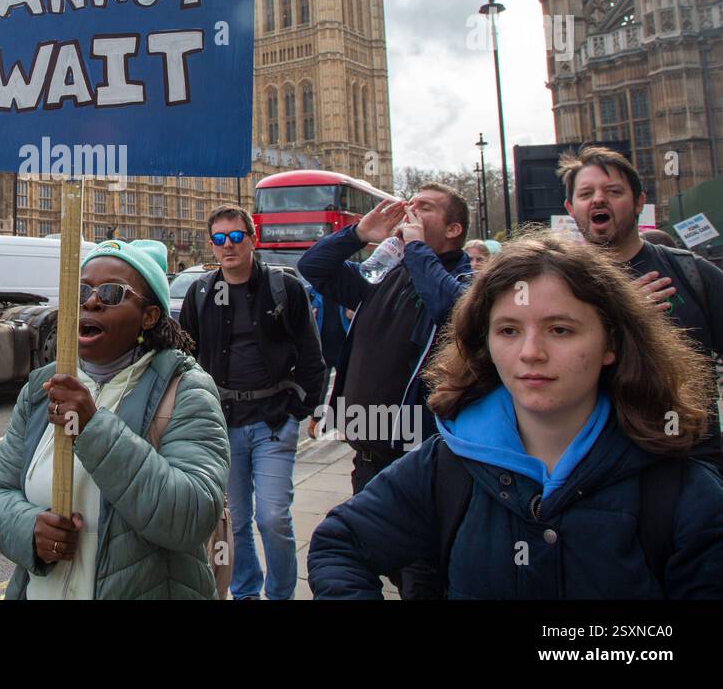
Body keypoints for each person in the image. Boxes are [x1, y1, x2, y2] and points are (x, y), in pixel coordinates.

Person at [308, 232, 723, 599]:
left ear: (611, 343)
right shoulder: (446, 464)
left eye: (560, 329)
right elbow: (338, 544)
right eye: (508, 330)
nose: (530, 353)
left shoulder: (682, 492)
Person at [0, 239, 230, 599]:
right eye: (82, 290)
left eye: (112, 293)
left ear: (149, 316)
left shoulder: (186, 389)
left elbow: (191, 516)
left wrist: (93, 428)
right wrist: (28, 530)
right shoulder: (41, 387)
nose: (91, 301)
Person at [298, 183, 473, 598]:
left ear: (453, 230)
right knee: (368, 562)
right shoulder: (382, 276)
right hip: (368, 457)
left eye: (424, 208)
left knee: (422, 578)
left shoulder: (464, 279)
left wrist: (414, 251)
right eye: (409, 204)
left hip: (417, 461)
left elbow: (453, 312)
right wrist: (360, 232)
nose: (410, 212)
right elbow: (314, 267)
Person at [179, 206, 326, 600]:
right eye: (220, 239)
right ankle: (245, 591)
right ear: (211, 246)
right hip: (223, 425)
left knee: (273, 517)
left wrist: (303, 409)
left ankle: (280, 594)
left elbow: (312, 356)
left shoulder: (284, 288)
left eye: (236, 236)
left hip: (273, 421)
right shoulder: (202, 293)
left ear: (252, 238)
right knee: (237, 521)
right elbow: (186, 358)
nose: (229, 246)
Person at [560, 146, 723, 470]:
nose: (598, 199)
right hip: (596, 476)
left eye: (614, 191)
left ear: (638, 202)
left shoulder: (692, 273)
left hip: (692, 465)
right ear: (571, 207)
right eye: (586, 193)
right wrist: (623, 315)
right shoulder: (558, 287)